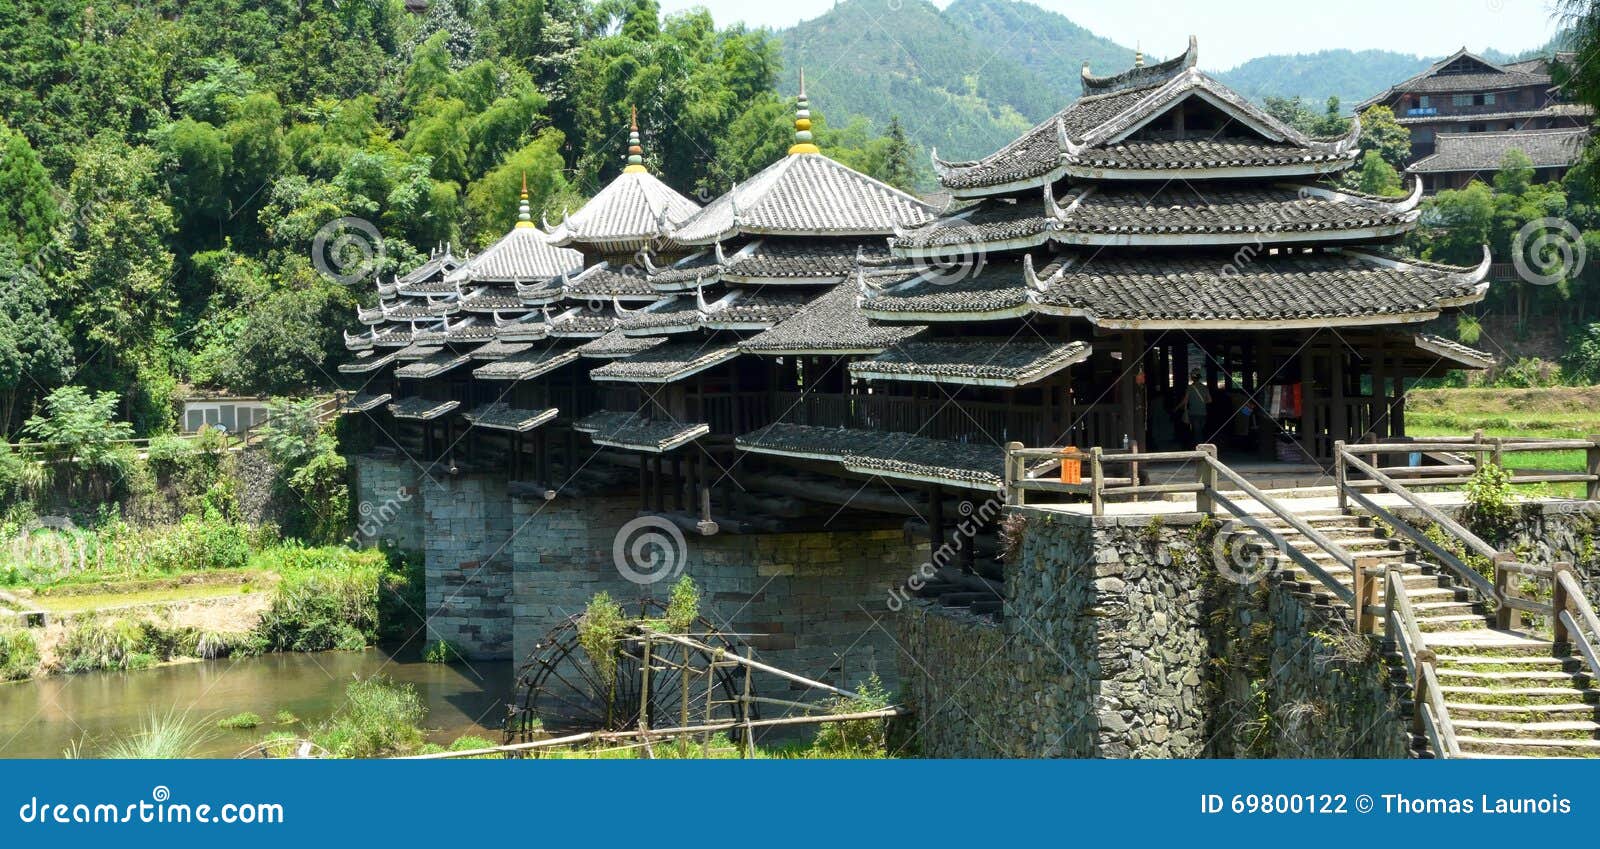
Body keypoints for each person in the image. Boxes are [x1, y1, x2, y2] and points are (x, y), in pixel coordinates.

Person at [1183, 370, 1211, 448]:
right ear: (1199, 378)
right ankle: (1201, 447)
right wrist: (1201, 402)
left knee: (1196, 432)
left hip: (1193, 412)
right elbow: (1209, 400)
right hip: (1203, 413)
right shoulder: (1205, 388)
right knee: (1200, 431)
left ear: (1192, 378)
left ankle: (1199, 448)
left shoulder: (1189, 388)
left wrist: (1178, 408)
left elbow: (1185, 401)